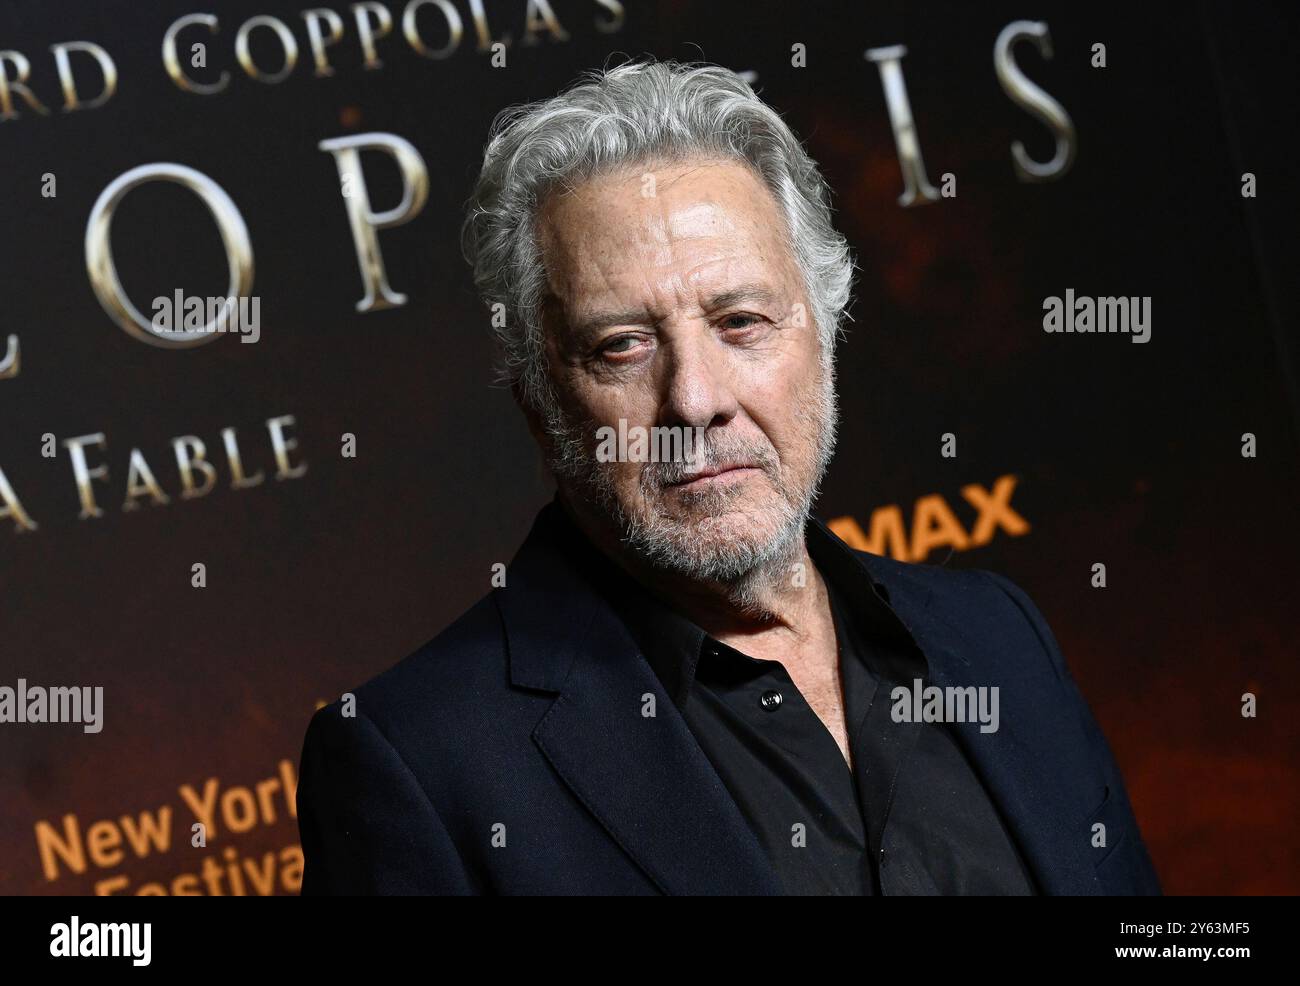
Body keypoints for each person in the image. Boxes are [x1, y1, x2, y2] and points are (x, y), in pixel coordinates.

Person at [296, 59, 1161, 895]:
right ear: (538, 397)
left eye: (741, 321)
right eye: (622, 345)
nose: (696, 401)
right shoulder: (417, 764)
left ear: (824, 333)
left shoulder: (999, 636)